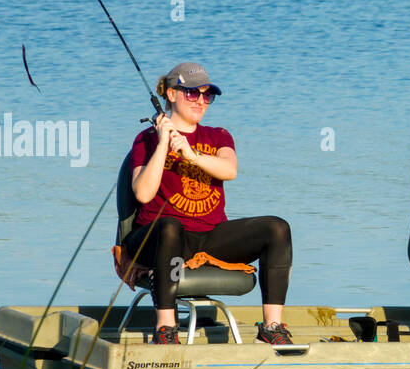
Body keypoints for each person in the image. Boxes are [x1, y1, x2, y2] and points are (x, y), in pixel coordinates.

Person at [120, 62, 294, 345]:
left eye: (206, 95)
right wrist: (163, 142)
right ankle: (166, 328)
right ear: (172, 94)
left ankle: (271, 328)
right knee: (170, 227)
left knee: (277, 228)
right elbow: (142, 193)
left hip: (208, 238)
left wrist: (191, 154)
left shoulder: (219, 136)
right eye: (192, 94)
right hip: (159, 239)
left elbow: (230, 170)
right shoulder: (146, 139)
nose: (201, 101)